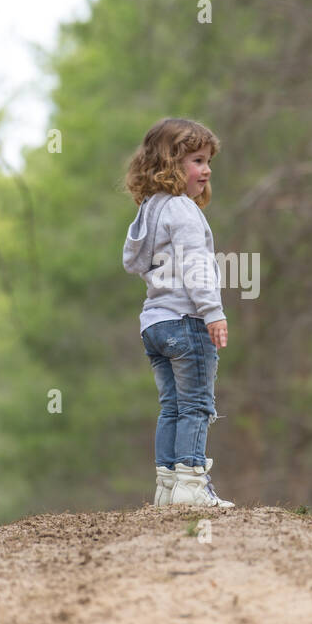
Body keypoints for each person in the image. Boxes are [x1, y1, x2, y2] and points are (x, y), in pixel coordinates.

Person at [122, 117, 234, 508]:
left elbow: (132, 262)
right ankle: (191, 486)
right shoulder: (182, 210)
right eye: (197, 161)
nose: (205, 170)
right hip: (187, 322)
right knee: (197, 405)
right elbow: (196, 264)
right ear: (170, 164)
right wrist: (213, 311)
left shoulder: (149, 211)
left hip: (155, 323)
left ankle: (167, 486)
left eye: (207, 162)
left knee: (171, 406)